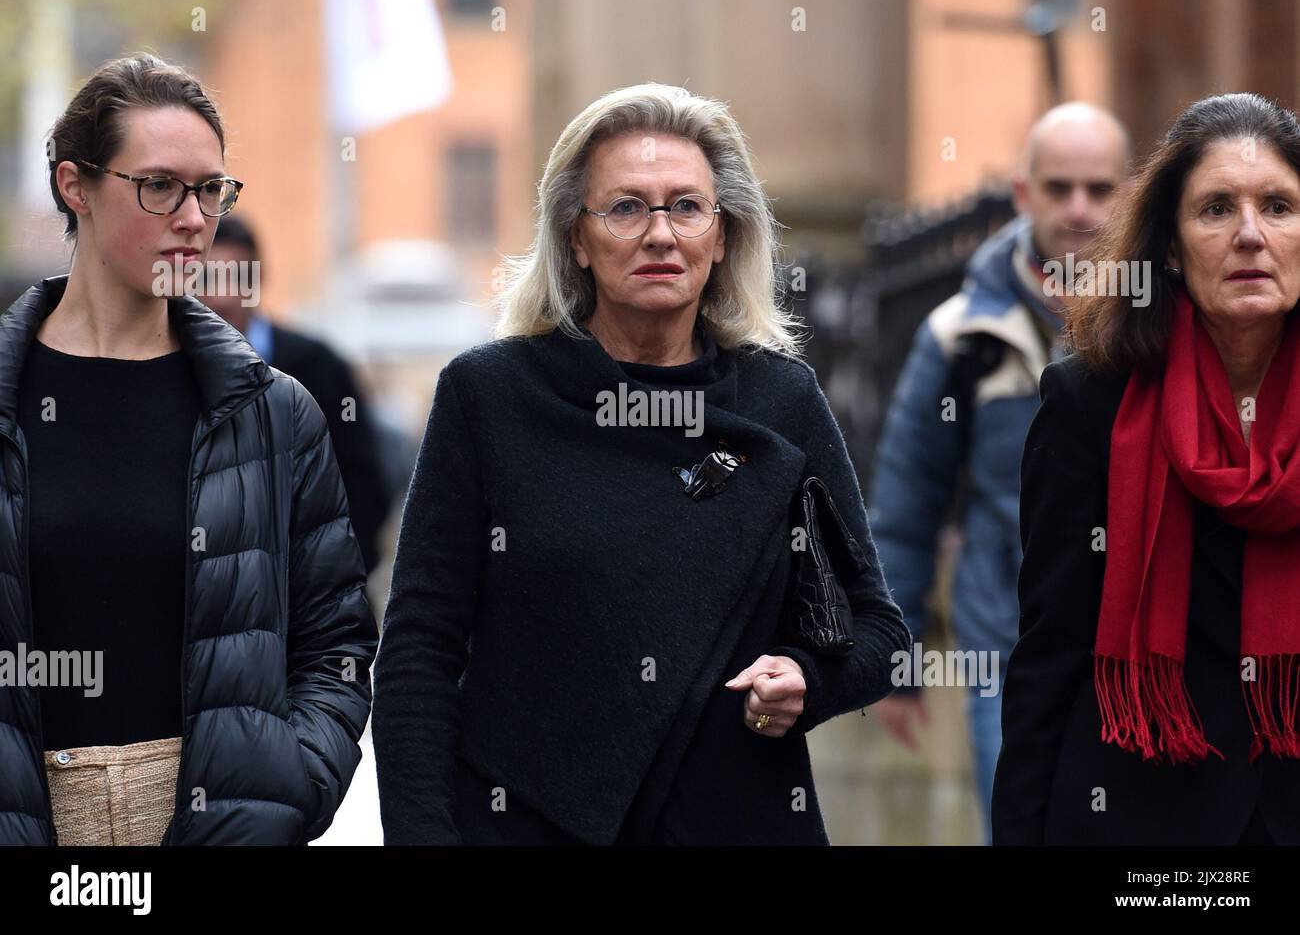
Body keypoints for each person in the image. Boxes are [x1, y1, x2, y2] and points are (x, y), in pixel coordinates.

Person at [372, 82, 911, 845]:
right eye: (625, 208)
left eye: (687, 207)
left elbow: (877, 629)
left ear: (722, 236)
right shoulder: (489, 396)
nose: (661, 234)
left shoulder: (780, 399)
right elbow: (420, 650)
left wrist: (807, 678)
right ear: (575, 239)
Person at [0, 52, 377, 845]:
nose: (195, 217)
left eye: (212, 189)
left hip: (213, 817)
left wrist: (287, 789)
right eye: (160, 185)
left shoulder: (274, 412)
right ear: (76, 187)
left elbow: (335, 639)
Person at [993, 92, 1300, 845]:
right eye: (1217, 209)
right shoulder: (1089, 404)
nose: (1251, 235)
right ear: (1169, 245)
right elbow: (1050, 649)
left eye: (1280, 207)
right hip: (1142, 821)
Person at [868, 102, 1130, 842]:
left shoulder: (1159, 322)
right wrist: (898, 658)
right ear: (1023, 193)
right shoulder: (960, 335)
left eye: (1100, 187)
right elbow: (906, 500)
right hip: (1003, 652)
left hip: (1137, 648)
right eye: (1059, 187)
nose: (1080, 208)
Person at [201, 215, 394, 573]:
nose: (221, 297)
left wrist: (334, 580)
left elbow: (363, 486)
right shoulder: (167, 371)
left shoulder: (319, 367)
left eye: (237, 279)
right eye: (207, 279)